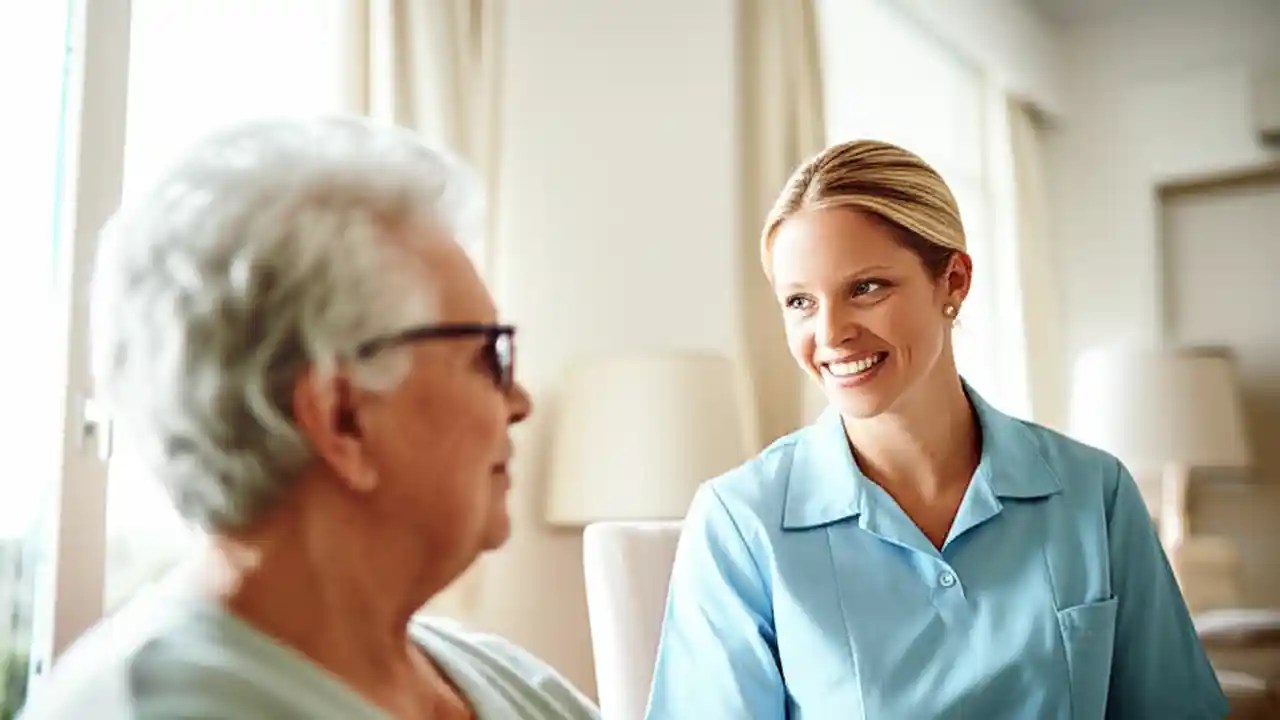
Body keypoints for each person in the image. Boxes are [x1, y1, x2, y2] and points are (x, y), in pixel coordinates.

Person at [26, 117, 600, 720]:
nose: (520, 402)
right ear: (342, 418)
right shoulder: (159, 710)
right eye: (488, 356)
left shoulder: (504, 680)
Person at [646, 140, 1227, 718]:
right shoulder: (741, 522)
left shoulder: (1094, 492)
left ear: (953, 281)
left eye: (865, 288)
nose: (831, 333)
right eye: (800, 301)